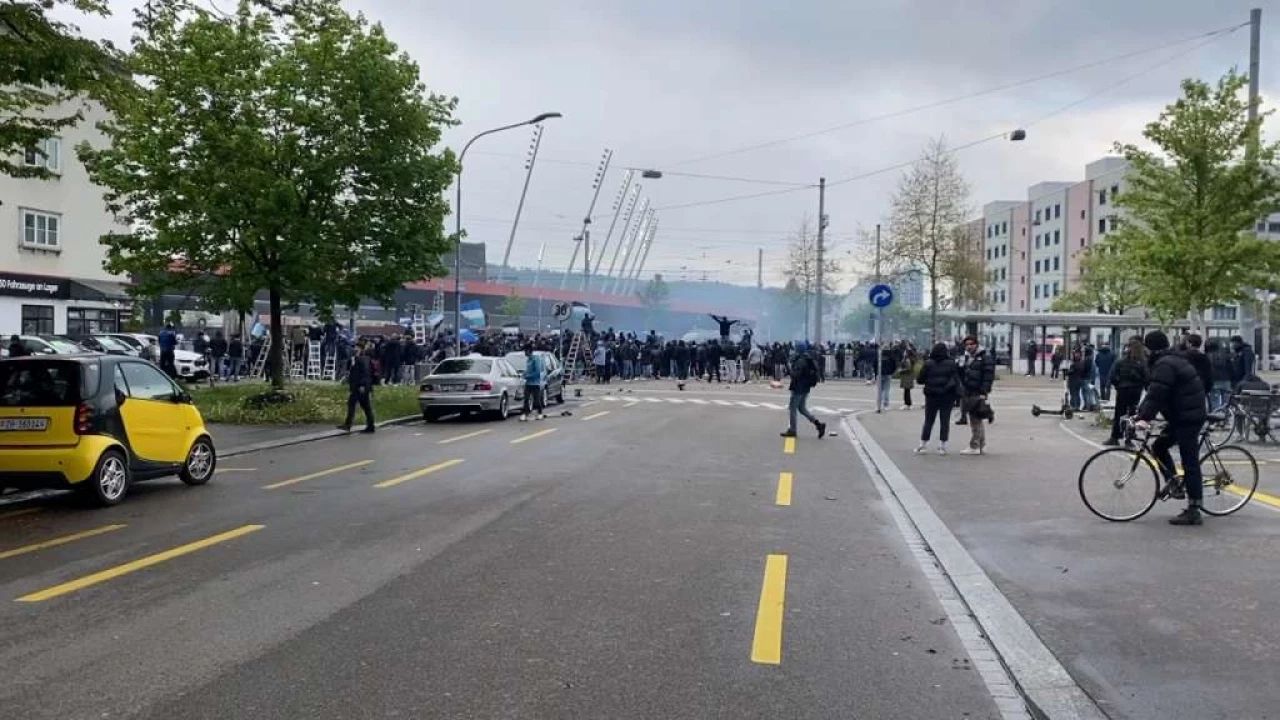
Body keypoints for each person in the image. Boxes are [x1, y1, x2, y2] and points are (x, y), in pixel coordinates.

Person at [1135, 330, 1208, 526]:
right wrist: (1139, 414)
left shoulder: (1165, 364)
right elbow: (1153, 393)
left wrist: (1144, 419)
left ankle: (1194, 510)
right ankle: (1174, 482)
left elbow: (1158, 392)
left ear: (1149, 348)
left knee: (1189, 461)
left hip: (1189, 417)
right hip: (1182, 415)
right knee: (1159, 447)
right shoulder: (1169, 360)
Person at [916, 343, 961, 454]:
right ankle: (942, 446)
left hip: (931, 396)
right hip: (947, 396)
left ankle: (923, 444)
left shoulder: (928, 364)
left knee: (929, 420)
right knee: (945, 421)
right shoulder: (951, 364)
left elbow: (920, 379)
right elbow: (956, 379)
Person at [1104, 337, 1149, 446]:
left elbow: (1113, 375)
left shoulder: (1121, 361)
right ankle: (1129, 438)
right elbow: (1147, 377)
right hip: (1135, 391)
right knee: (1132, 415)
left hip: (1123, 390)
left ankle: (1115, 437)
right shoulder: (1143, 362)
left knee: (1119, 414)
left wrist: (1118, 385)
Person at [780, 342, 826, 439]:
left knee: (792, 408)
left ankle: (792, 430)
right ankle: (818, 424)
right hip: (805, 388)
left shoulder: (801, 361)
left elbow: (795, 375)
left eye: (796, 348)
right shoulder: (806, 358)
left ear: (798, 350)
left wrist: (788, 367)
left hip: (798, 388)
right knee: (802, 409)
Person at [958, 335, 995, 454]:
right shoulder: (967, 357)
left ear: (976, 344)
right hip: (968, 390)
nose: (969, 346)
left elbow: (988, 376)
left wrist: (984, 392)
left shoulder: (984, 357)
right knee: (977, 418)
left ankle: (974, 445)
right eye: (967, 344)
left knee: (975, 419)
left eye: (971, 344)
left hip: (977, 391)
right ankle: (981, 444)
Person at [338, 345, 376, 433]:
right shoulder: (355, 359)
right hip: (358, 386)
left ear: (361, 350)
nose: (354, 349)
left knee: (354, 404)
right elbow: (353, 372)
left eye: (357, 348)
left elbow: (364, 373)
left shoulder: (362, 359)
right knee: (365, 406)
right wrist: (347, 379)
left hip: (360, 387)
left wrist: (362, 385)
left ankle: (348, 424)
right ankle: (370, 426)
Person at [1182, 333, 1212, 405]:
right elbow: (1209, 376)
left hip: (1184, 389)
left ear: (1189, 343)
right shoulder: (1205, 358)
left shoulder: (1182, 356)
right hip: (1200, 389)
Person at [519, 344, 546, 421]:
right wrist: (523, 374)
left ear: (529, 351)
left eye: (525, 351)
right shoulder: (528, 360)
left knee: (536, 399)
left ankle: (540, 413)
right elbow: (527, 370)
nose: (524, 352)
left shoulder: (536, 359)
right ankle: (525, 413)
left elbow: (537, 372)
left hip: (535, 383)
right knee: (526, 399)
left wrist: (527, 376)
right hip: (528, 383)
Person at [1206, 338, 1233, 411]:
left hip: (1213, 380)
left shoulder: (1208, 355)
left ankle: (1216, 416)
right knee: (1226, 402)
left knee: (1214, 401)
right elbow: (1231, 367)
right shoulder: (1226, 354)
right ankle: (1225, 416)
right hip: (1226, 380)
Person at [877, 346, 896, 411]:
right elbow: (894, 365)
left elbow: (875, 364)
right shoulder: (891, 357)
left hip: (880, 374)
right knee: (887, 390)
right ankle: (886, 404)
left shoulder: (880, 357)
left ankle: (879, 404)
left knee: (880, 390)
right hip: (888, 374)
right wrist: (892, 372)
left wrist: (876, 372)